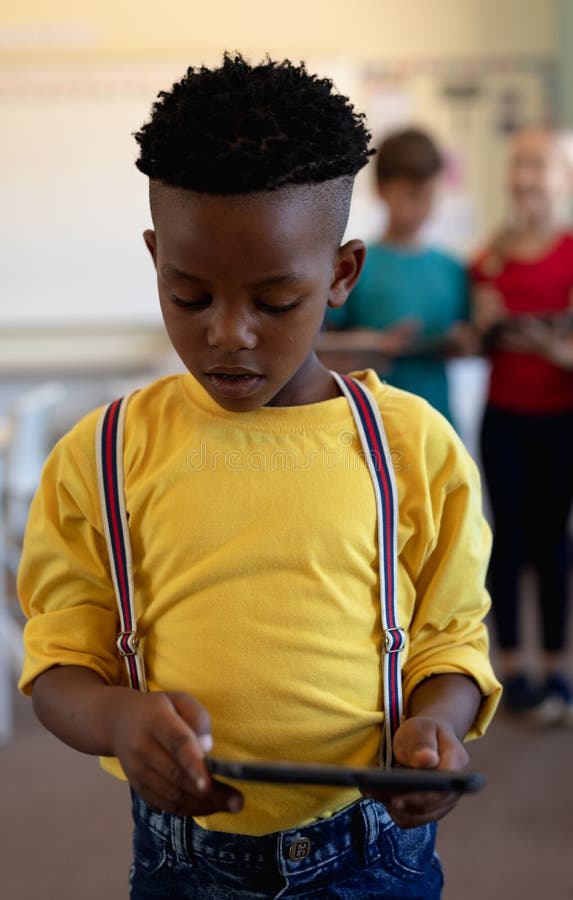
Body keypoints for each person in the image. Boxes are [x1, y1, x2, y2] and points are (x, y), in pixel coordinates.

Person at [18, 55, 500, 899]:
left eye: (274, 302)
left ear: (342, 275)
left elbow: (449, 639)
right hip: (184, 860)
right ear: (154, 257)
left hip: (371, 851)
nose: (228, 335)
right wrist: (118, 720)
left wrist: (435, 726)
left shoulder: (411, 448)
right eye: (190, 296)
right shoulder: (103, 453)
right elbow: (59, 662)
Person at [471, 125, 573, 726]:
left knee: (554, 545)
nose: (523, 178)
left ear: (571, 181)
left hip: (562, 421)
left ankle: (555, 667)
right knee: (508, 542)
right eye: (517, 164)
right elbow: (471, 340)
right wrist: (480, 320)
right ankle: (513, 669)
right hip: (503, 420)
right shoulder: (486, 259)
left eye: (538, 166)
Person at [320, 127, 475, 425]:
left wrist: (463, 342)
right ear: (381, 189)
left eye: (430, 195)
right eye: (411, 196)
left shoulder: (453, 269)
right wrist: (376, 343)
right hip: (372, 418)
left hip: (438, 418)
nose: (421, 207)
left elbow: (468, 343)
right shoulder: (356, 265)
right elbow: (326, 346)